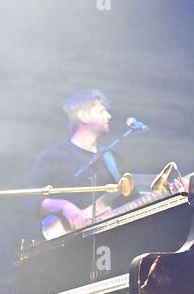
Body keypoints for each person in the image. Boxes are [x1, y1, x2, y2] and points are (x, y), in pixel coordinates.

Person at [26, 89, 124, 236]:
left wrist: (166, 194)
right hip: (68, 243)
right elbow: (29, 198)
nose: (109, 116)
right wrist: (64, 206)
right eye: (101, 111)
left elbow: (131, 199)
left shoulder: (113, 159)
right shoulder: (54, 157)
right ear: (83, 116)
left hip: (109, 241)